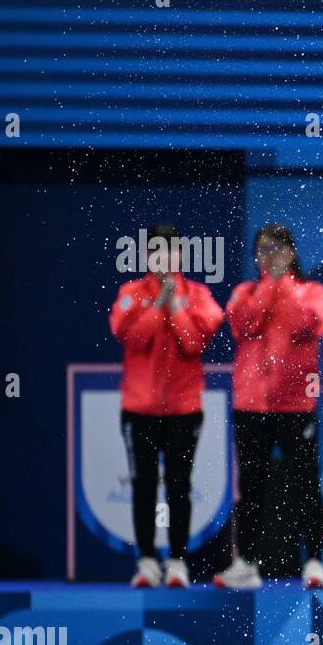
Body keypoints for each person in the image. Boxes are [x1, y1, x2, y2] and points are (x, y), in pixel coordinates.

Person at [215, 224, 323, 590]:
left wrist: (282, 285)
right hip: (251, 405)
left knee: (304, 482)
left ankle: (313, 561)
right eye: (263, 250)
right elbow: (243, 323)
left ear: (292, 252)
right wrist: (270, 286)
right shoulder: (245, 293)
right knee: (251, 486)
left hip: (296, 404)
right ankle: (245, 563)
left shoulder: (312, 293)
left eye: (277, 249)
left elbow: (304, 324)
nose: (271, 256)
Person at [109, 222, 224, 588]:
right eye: (156, 251)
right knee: (143, 485)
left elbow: (193, 342)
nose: (163, 257)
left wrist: (174, 306)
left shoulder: (198, 295)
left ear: (180, 256)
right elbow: (131, 338)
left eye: (170, 251)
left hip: (183, 409)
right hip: (139, 409)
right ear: (147, 256)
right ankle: (145, 562)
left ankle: (177, 562)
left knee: (179, 484)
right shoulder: (130, 292)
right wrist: (158, 305)